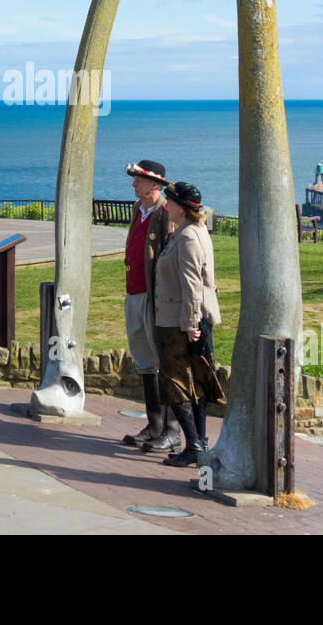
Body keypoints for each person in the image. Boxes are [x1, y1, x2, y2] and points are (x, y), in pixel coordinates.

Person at [153, 180, 226, 468]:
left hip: (181, 321)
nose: (166, 205)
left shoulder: (188, 237)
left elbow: (192, 285)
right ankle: (199, 444)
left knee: (174, 382)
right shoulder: (189, 231)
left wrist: (190, 322)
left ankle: (195, 444)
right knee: (193, 381)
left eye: (170, 201)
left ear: (182, 208)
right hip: (185, 318)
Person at [120, 160, 182, 452]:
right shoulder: (138, 210)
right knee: (145, 361)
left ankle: (171, 430)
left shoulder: (165, 215)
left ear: (154, 185)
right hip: (134, 293)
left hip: (154, 298)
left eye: (138, 181)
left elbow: (171, 260)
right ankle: (154, 424)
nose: (134, 185)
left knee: (162, 362)